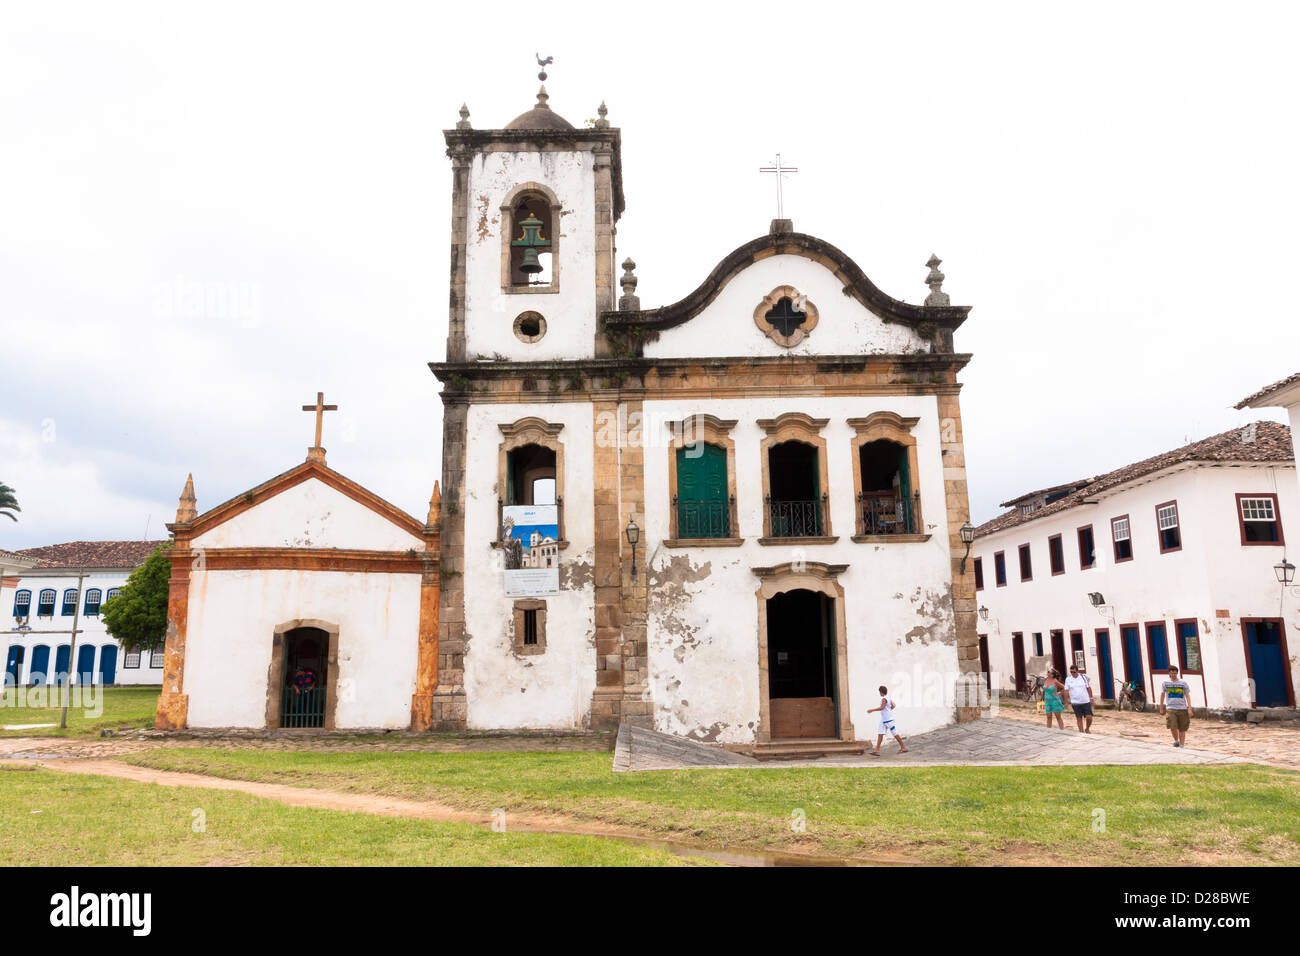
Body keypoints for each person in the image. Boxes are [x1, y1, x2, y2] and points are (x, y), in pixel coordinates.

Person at [868, 685, 907, 756]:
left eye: (879, 692)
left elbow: (882, 707)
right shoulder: (888, 698)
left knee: (895, 733)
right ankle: (876, 750)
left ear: (880, 692)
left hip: (888, 720)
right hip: (884, 720)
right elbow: (894, 705)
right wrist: (888, 710)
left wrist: (872, 710)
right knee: (880, 733)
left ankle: (903, 747)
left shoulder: (884, 699)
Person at [1160, 664, 1192, 747]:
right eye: (1172, 673)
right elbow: (1162, 695)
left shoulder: (1183, 683)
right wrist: (1161, 707)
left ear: (1177, 673)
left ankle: (1182, 745)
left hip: (1182, 708)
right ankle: (1176, 740)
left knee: (1182, 728)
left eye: (1175, 673)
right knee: (1172, 726)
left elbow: (1187, 695)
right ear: (1169, 674)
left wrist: (1189, 708)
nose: (1173, 675)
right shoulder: (1165, 683)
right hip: (1171, 708)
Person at [1064, 664, 1094, 733]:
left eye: (1074, 672)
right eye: (1071, 672)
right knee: (1078, 718)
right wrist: (1066, 702)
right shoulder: (1068, 679)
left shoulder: (1083, 677)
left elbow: (1088, 688)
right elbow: (1066, 691)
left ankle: (1087, 728)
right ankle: (1081, 732)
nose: (1072, 673)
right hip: (1075, 702)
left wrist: (1091, 698)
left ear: (1077, 671)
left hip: (1085, 701)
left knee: (1089, 717)